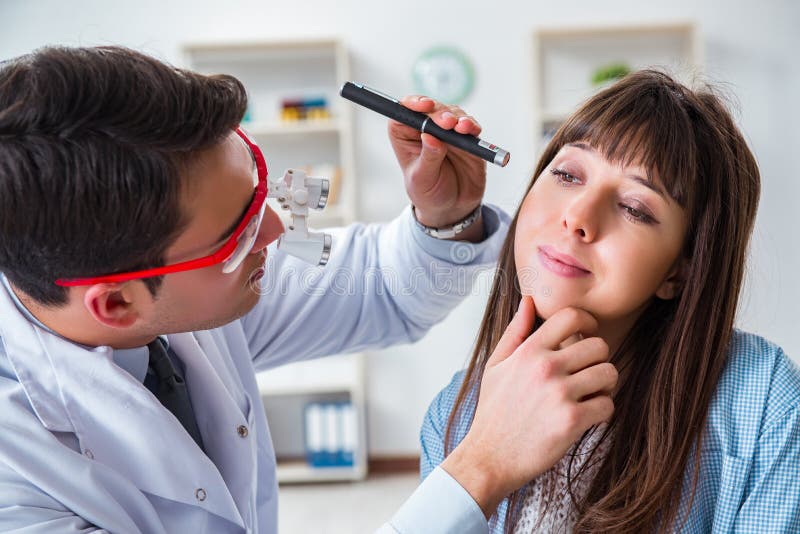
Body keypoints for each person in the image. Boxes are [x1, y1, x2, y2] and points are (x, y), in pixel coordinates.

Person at [0, 45, 560, 534]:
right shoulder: (16, 487)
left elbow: (383, 286)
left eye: (257, 187)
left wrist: (445, 217)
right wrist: (477, 472)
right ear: (116, 302)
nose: (273, 227)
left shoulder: (189, 287)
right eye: (236, 234)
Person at [420, 70, 800, 533]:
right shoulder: (452, 417)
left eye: (635, 208)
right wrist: (480, 468)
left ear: (680, 270)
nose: (577, 216)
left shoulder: (761, 401)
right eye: (566, 174)